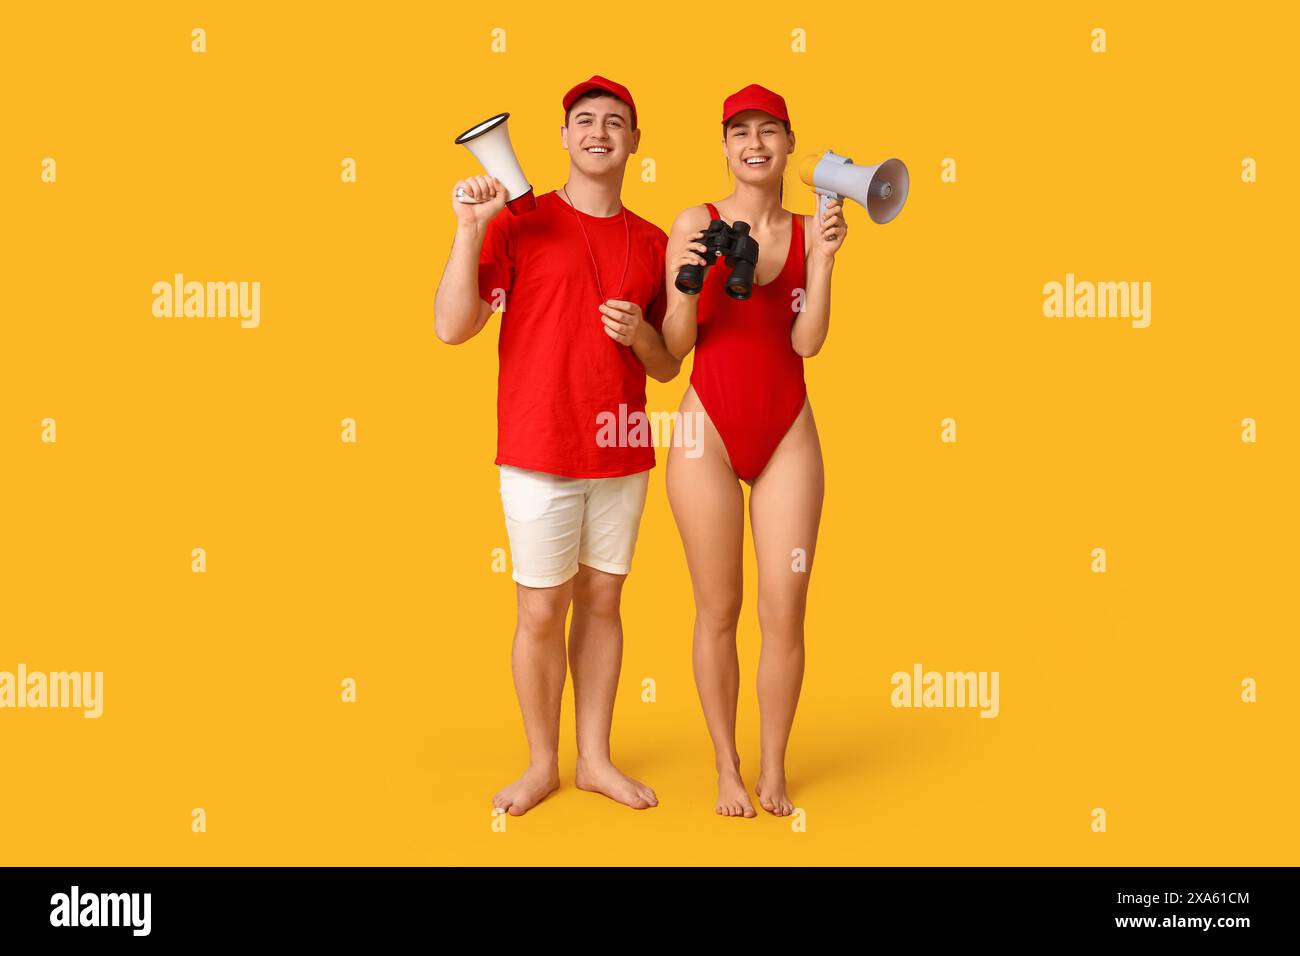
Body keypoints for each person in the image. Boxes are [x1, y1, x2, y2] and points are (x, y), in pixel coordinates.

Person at [434, 76, 680, 816]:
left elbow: (669, 364)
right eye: (584, 121)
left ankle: (595, 760)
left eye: (616, 122)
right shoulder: (520, 221)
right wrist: (469, 227)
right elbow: (452, 326)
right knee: (542, 610)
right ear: (565, 138)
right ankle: (543, 763)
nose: (600, 131)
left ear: (635, 141)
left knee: (603, 602)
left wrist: (641, 334)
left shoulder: (656, 241)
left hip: (623, 449)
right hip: (539, 448)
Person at [660, 84, 848, 817]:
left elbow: (807, 343)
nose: (755, 144)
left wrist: (826, 261)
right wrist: (689, 285)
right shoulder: (693, 220)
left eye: (769, 132)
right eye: (741, 132)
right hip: (707, 423)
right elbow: (676, 347)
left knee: (784, 606)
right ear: (726, 145)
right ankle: (725, 766)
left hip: (786, 427)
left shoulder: (808, 229)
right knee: (718, 608)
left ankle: (773, 765)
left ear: (791, 145)